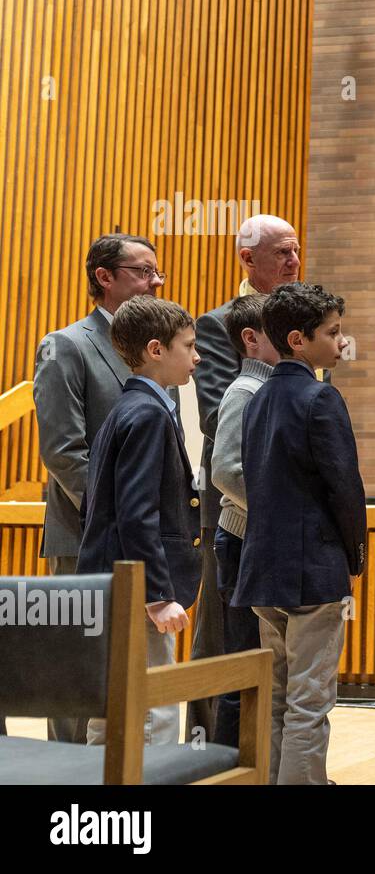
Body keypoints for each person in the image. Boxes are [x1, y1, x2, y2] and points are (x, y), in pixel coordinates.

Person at [32, 234, 174, 744]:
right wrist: (109, 516)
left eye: (158, 271)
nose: (156, 281)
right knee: (79, 679)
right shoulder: (68, 345)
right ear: (104, 277)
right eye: (143, 271)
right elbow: (64, 451)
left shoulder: (156, 346)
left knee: (129, 683)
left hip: (138, 537)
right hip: (84, 534)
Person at [232, 283, 366, 785]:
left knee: (277, 701)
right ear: (296, 340)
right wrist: (355, 556)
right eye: (331, 333)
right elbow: (345, 489)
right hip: (313, 572)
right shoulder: (320, 396)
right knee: (309, 705)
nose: (340, 342)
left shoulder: (256, 399)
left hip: (263, 570)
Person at [188, 214, 302, 740]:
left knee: (282, 645)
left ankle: (271, 760)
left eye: (296, 251)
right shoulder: (217, 324)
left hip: (290, 508)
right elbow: (215, 415)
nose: (294, 262)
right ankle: (209, 752)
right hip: (237, 504)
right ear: (246, 259)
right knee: (224, 636)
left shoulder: (302, 322)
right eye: (282, 252)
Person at [77, 295, 203, 746]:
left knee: (113, 713)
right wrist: (156, 595)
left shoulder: (125, 409)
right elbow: (137, 512)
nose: (197, 356)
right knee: (150, 714)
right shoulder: (147, 413)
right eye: (188, 346)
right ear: (156, 350)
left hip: (114, 583)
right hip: (137, 592)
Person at [209, 293, 277, 748]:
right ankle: (229, 767)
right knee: (242, 664)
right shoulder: (243, 391)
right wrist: (279, 511)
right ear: (251, 340)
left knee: (264, 663)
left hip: (260, 541)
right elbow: (225, 470)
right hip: (240, 541)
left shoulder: (271, 387)